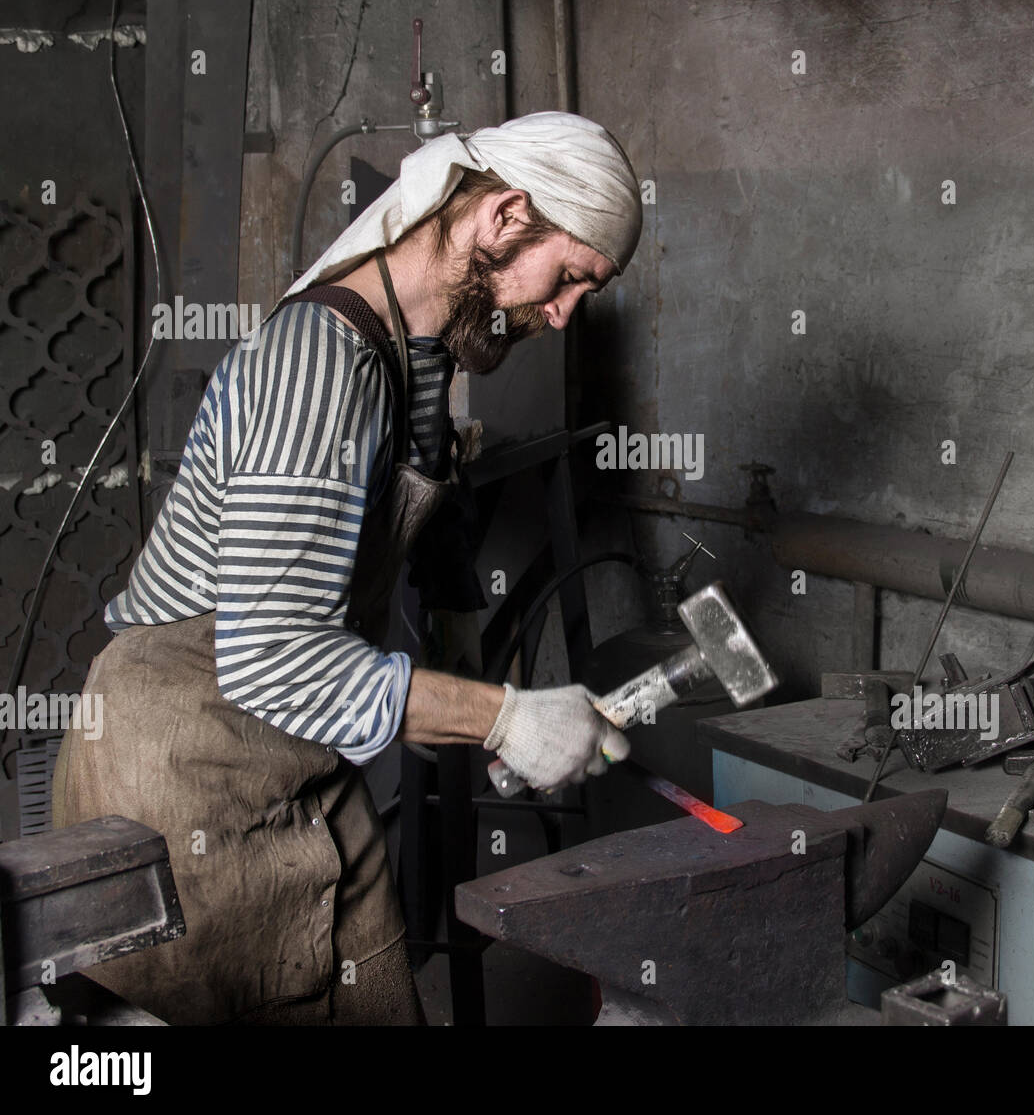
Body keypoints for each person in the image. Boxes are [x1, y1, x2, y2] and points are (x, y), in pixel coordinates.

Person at [51, 112, 642, 1025]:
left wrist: (487, 717)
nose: (564, 314)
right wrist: (503, 720)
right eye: (569, 277)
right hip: (186, 763)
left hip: (297, 759)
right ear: (505, 217)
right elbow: (275, 658)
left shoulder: (416, 363)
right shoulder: (320, 366)